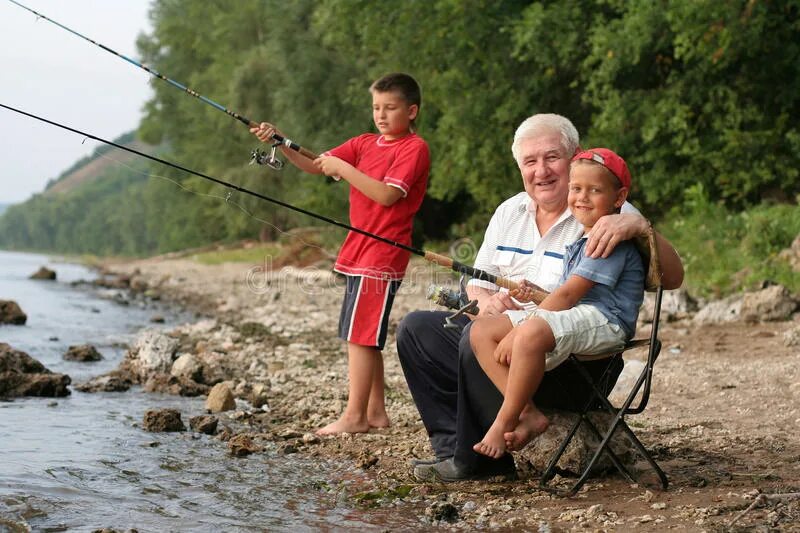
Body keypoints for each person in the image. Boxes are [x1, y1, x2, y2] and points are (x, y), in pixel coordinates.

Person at [398, 113, 683, 481]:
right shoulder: (509, 210)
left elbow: (671, 278)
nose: (541, 171)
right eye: (530, 162)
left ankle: (476, 465)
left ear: (576, 157)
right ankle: (455, 447)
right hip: (507, 343)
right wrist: (484, 302)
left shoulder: (605, 209)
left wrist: (642, 227)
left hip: (574, 361)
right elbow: (476, 281)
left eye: (551, 157)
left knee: (476, 336)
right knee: (416, 329)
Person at [251, 73, 430, 435]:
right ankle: (376, 412)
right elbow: (317, 164)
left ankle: (354, 417)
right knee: (362, 334)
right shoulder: (364, 143)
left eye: (390, 108)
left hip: (382, 254)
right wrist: (282, 142)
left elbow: (386, 195)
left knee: (360, 337)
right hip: (358, 251)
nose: (381, 114)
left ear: (411, 111)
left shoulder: (413, 148)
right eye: (376, 107)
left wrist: (345, 170)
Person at [470, 148, 644, 459]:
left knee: (530, 333)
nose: (582, 197)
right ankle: (527, 413)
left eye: (595, 190)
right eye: (576, 189)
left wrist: (520, 329)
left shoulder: (608, 240)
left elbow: (568, 296)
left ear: (619, 198)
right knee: (481, 331)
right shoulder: (582, 239)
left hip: (607, 321)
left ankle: (503, 421)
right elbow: (564, 295)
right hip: (579, 314)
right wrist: (537, 295)